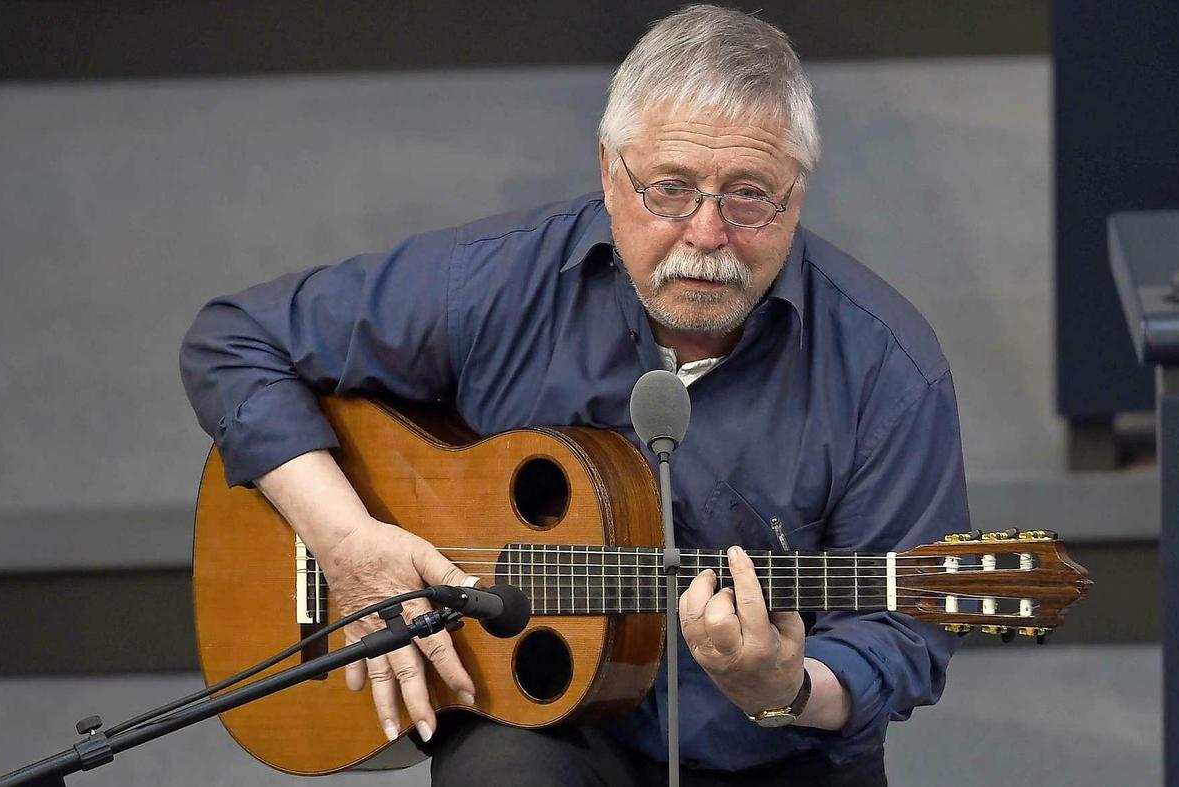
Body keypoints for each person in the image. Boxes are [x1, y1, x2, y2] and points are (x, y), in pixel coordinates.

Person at [180, 5, 969, 785]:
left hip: (777, 755)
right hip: (551, 730)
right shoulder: (503, 282)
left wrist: (785, 687)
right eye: (669, 189)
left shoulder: (888, 369)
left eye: (750, 195)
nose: (705, 234)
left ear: (798, 193)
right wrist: (347, 541)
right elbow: (237, 342)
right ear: (608, 169)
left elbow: (902, 633)